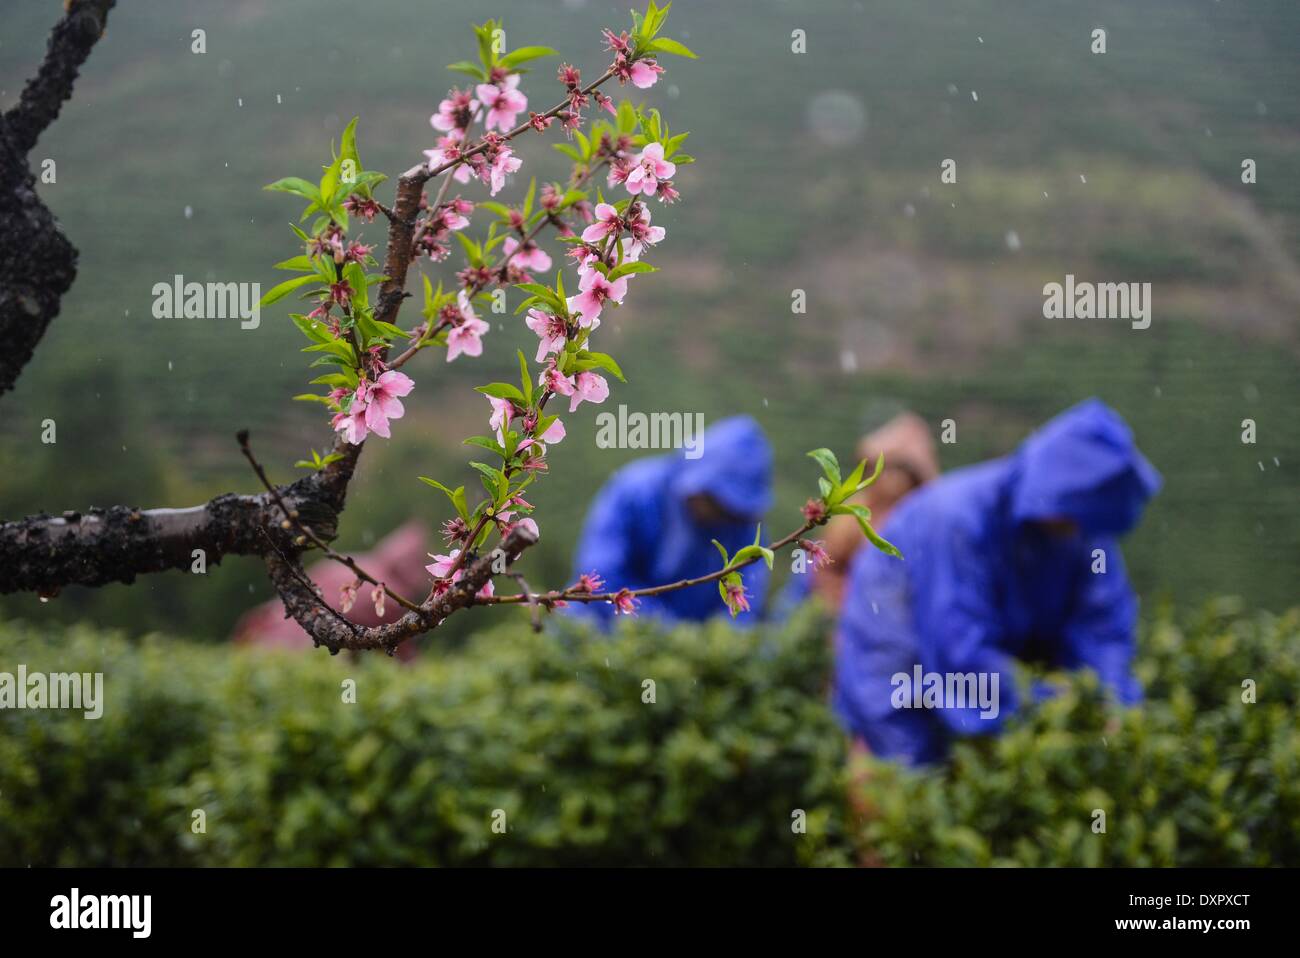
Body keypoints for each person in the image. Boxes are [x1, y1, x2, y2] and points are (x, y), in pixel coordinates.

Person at [832, 399, 1161, 765]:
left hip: (991, 671)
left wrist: (1112, 702)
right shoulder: (956, 521)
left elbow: (1103, 627)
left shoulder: (1078, 532)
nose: (1069, 530)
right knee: (909, 769)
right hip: (901, 660)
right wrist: (1049, 698)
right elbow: (958, 648)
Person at [566, 415, 773, 625]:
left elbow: (744, 609)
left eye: (728, 509)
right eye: (713, 501)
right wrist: (663, 630)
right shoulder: (635, 491)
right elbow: (602, 574)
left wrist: (714, 646)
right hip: (597, 634)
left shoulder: (742, 525)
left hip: (692, 652)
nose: (716, 514)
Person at [777, 411, 939, 615]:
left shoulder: (922, 524)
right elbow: (824, 571)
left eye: (899, 471)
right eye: (886, 470)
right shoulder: (853, 515)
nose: (891, 481)